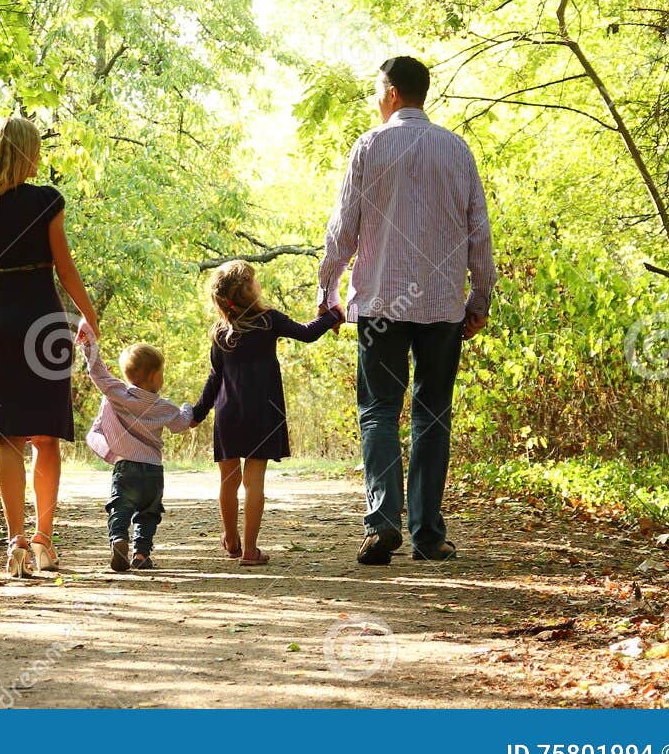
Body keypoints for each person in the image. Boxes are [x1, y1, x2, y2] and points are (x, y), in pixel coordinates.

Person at [318, 56, 497, 566]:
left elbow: (343, 228)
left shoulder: (369, 147)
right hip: (442, 308)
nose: (376, 99)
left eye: (378, 90)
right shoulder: (456, 149)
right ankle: (428, 535)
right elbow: (478, 231)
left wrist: (328, 290)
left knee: (378, 411)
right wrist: (479, 299)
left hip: (380, 305)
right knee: (432, 416)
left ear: (392, 93)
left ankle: (382, 526)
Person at [0, 117, 101, 578]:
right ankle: (43, 539)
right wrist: (89, 315)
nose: (39, 156)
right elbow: (65, 267)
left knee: (8, 436)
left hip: (0, 325)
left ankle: (15, 540)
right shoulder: (46, 201)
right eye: (35, 149)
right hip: (44, 323)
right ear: (24, 153)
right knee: (45, 435)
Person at [191, 260, 342, 567]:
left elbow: (215, 377)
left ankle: (230, 539)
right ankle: (250, 550)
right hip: (262, 413)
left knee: (228, 480)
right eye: (254, 280)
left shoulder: (220, 332)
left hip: (228, 414)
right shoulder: (268, 320)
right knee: (254, 481)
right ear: (248, 289)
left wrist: (199, 412)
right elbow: (307, 333)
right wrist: (333, 316)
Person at [76, 327, 197, 572]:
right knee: (149, 513)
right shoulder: (165, 407)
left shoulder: (118, 395)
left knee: (120, 507)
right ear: (155, 376)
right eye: (162, 373)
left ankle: (118, 538)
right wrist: (187, 407)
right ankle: (141, 554)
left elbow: (98, 373)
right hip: (152, 471)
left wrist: (89, 346)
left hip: (125, 468)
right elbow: (182, 424)